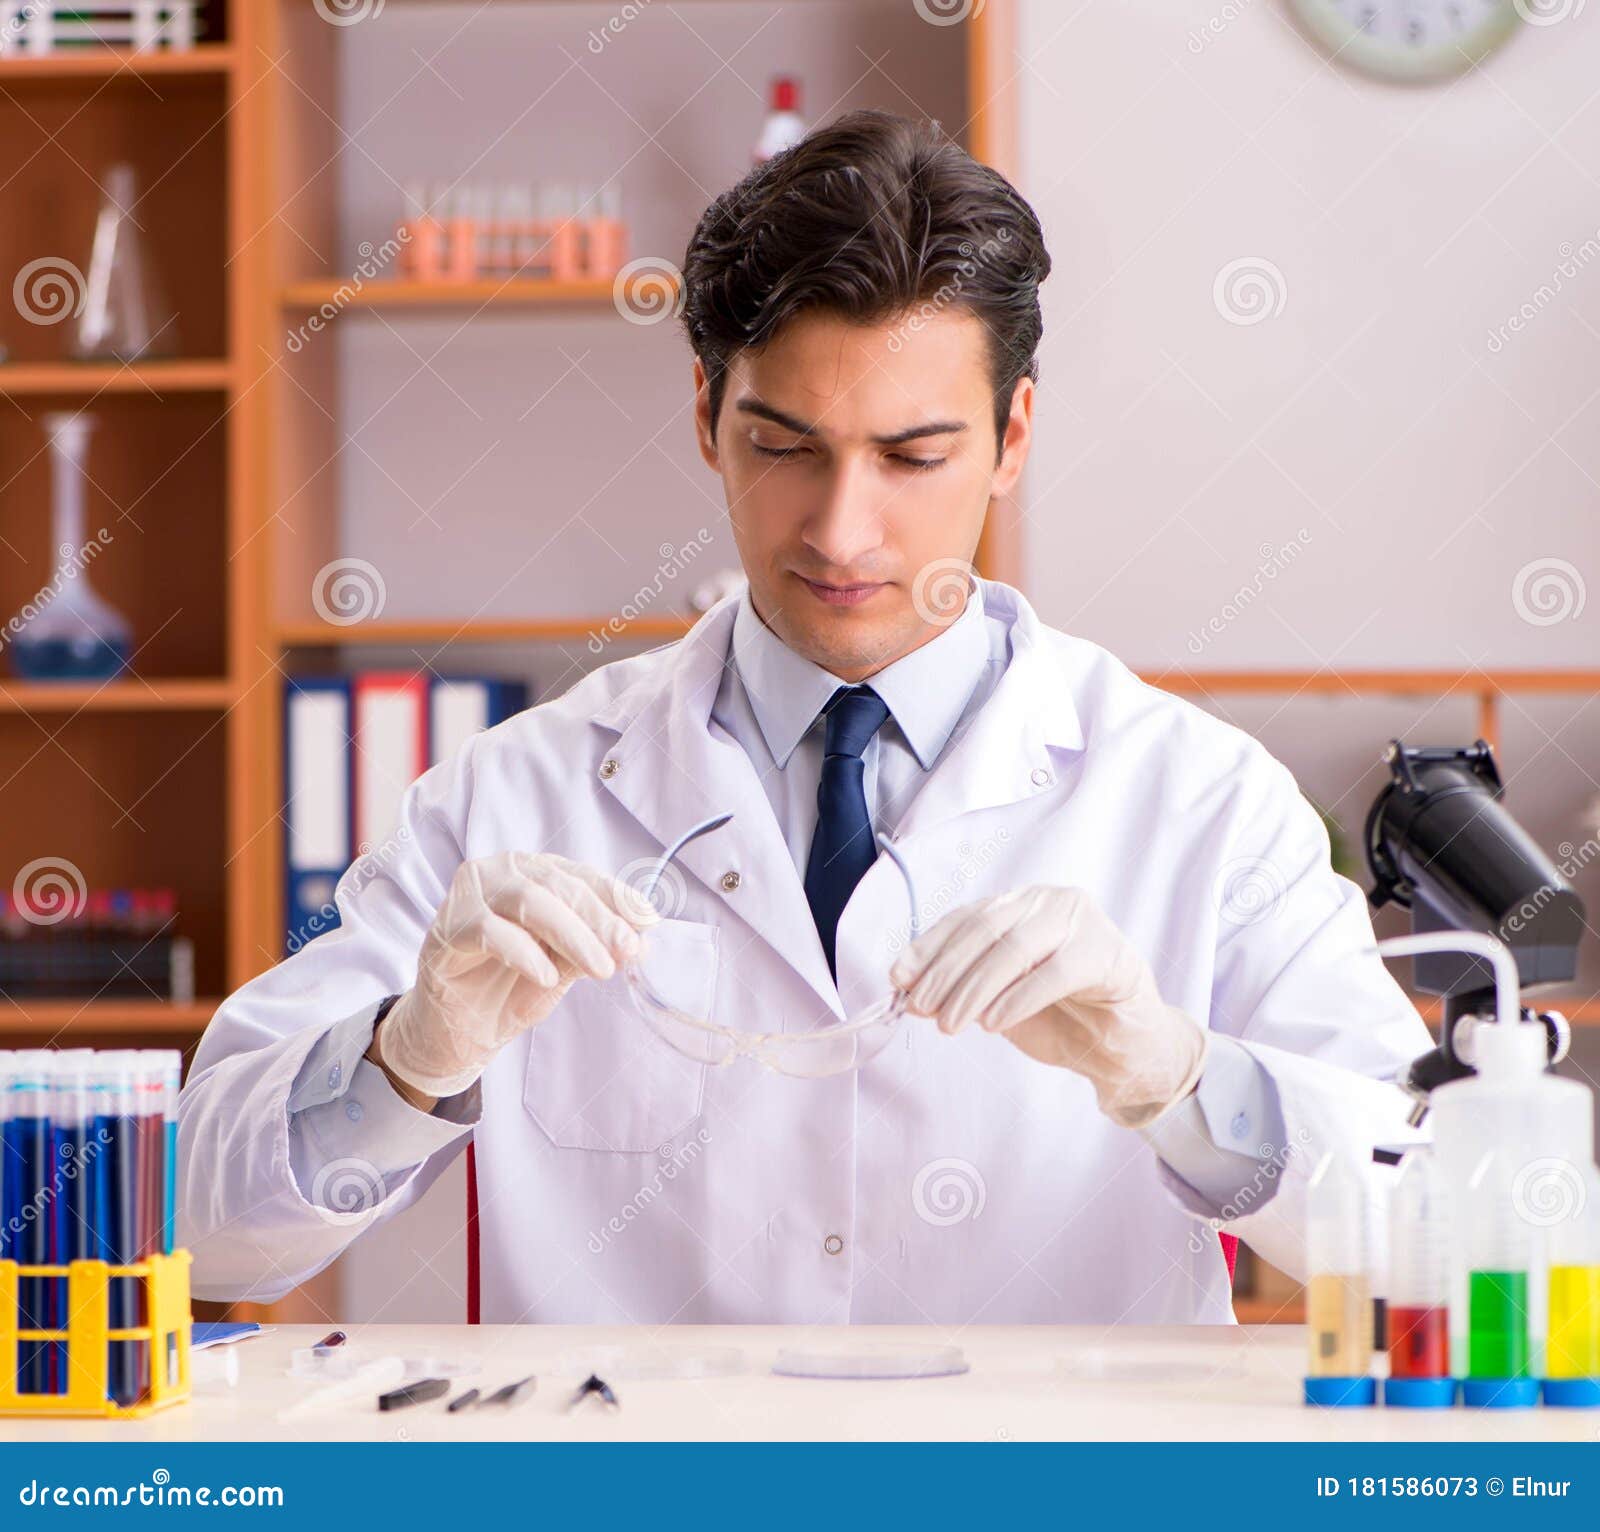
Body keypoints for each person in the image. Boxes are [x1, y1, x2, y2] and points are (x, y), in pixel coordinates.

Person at [179, 110, 1429, 1324]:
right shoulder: (511, 797)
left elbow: (1431, 1224)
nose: (839, 530)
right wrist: (406, 1056)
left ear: (1012, 436)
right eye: (784, 445)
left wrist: (1175, 1074)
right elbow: (196, 1227)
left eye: (912, 456)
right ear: (706, 421)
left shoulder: (1197, 798)